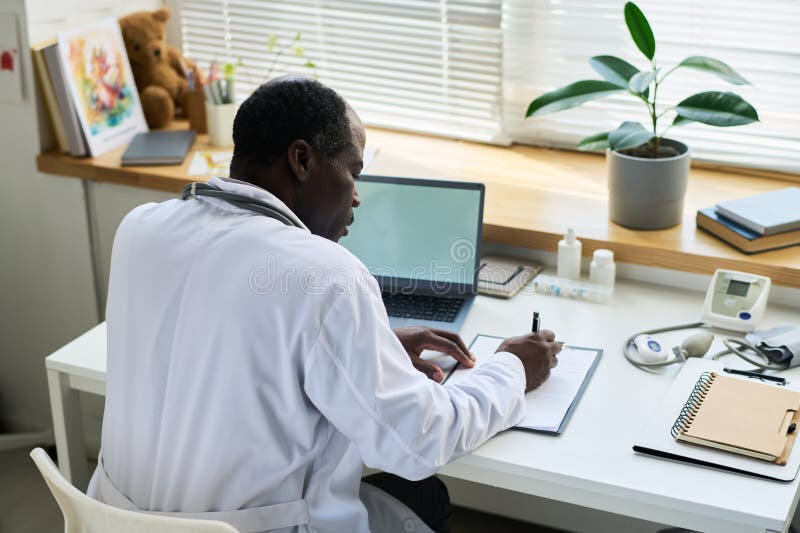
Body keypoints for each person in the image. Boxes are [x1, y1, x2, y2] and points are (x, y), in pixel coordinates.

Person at [88, 76, 561, 533]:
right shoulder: (327, 274)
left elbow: (220, 334)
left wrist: (370, 345)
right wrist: (512, 370)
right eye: (352, 172)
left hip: (115, 522)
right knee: (426, 493)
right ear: (302, 160)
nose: (356, 196)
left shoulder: (141, 228)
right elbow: (419, 441)